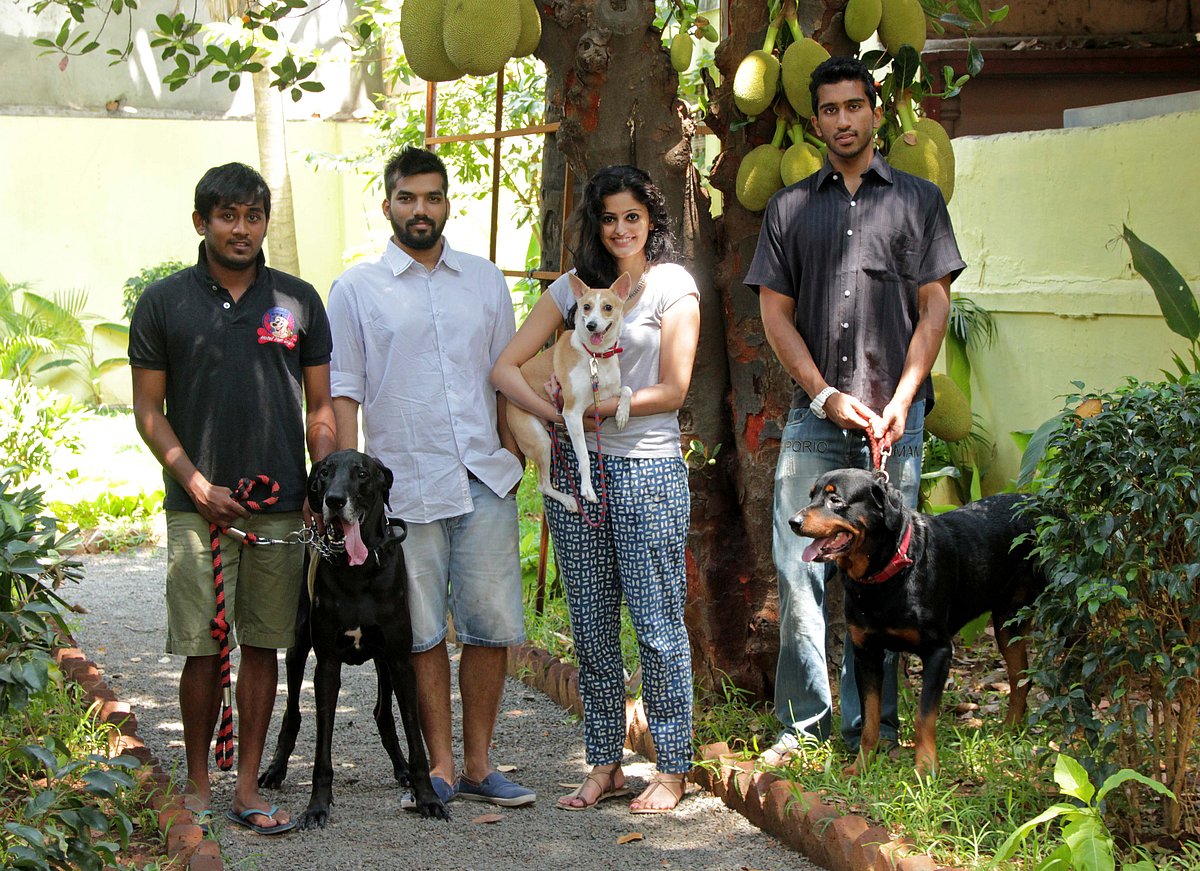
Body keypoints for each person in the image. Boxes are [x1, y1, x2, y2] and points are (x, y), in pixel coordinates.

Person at [744, 56, 966, 764]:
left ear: (876, 112)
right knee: (800, 568)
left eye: (854, 106)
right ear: (817, 122)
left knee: (888, 574)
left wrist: (902, 396)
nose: (843, 119)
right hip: (817, 418)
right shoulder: (789, 209)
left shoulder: (920, 201)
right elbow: (775, 315)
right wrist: (822, 392)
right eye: (830, 110)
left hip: (895, 420)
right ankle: (802, 728)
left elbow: (935, 306)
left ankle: (874, 734)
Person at [129, 162, 336, 833]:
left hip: (278, 504)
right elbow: (148, 410)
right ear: (202, 222)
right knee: (201, 644)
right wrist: (194, 482)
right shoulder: (163, 302)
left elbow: (321, 406)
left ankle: (247, 783)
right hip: (197, 507)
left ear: (264, 222)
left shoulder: (299, 301)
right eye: (227, 215)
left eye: (252, 215)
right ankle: (196, 777)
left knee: (263, 647)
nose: (241, 228)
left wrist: (322, 479)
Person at [326, 146, 535, 808]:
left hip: (483, 475)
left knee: (491, 623)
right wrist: (348, 501)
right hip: (404, 486)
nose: (421, 209)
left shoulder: (483, 280)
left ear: (448, 203)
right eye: (408, 198)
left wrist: (515, 456)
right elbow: (345, 394)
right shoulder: (356, 288)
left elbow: (506, 374)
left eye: (433, 197)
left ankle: (479, 762)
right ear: (386, 203)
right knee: (419, 631)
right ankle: (438, 765)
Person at [492, 165, 701, 813]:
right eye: (608, 217)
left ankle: (671, 767)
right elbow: (503, 367)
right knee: (591, 626)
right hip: (578, 476)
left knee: (660, 626)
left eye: (631, 217)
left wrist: (603, 411)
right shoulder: (570, 291)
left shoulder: (671, 287)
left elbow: (674, 388)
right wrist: (557, 416)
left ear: (651, 220)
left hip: (648, 472)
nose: (619, 229)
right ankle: (605, 762)